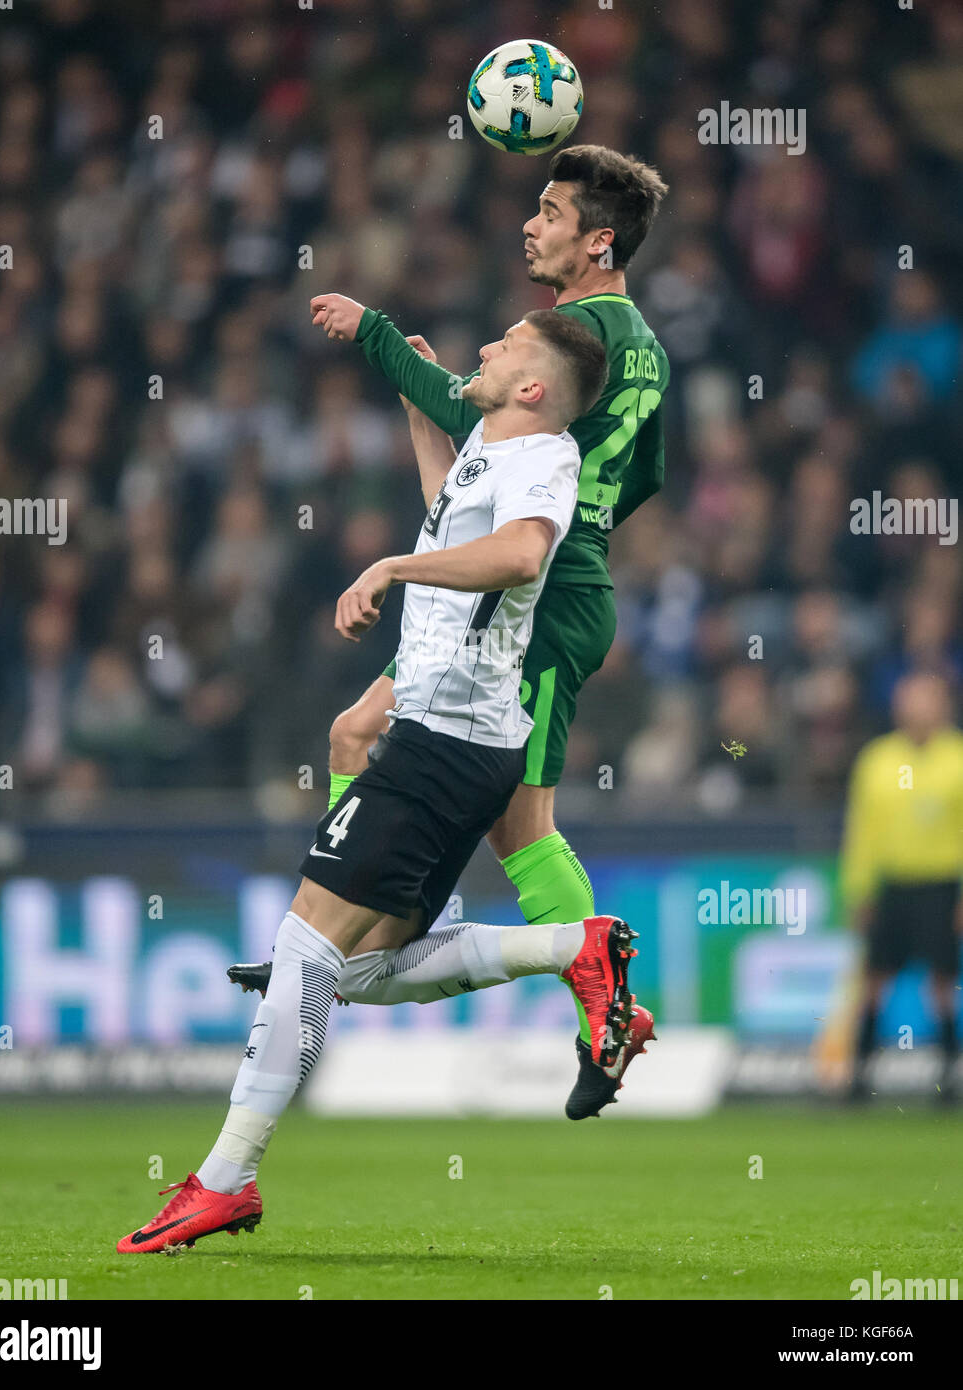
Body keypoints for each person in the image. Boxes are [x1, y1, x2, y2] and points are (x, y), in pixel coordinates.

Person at [118, 311, 637, 1252]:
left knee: (307, 951)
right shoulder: (491, 450)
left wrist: (391, 564)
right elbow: (454, 514)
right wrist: (416, 409)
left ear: (534, 387)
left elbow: (519, 554)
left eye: (505, 346)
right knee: (358, 968)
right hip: (450, 742)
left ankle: (224, 1181)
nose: (483, 349)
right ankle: (573, 946)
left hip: (442, 743)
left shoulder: (545, 458)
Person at [230, 145, 669, 1121]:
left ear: (597, 241)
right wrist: (581, 506)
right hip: (527, 584)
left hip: (541, 596)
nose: (529, 225)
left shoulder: (570, 332)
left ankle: (608, 1001)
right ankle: (330, 939)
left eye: (549, 213)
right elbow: (647, 476)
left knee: (525, 823)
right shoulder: (646, 347)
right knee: (353, 731)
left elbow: (486, 431)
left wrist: (375, 336)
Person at [841, 672, 963, 1102]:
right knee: (873, 979)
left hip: (941, 884)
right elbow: (862, 831)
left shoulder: (957, 758)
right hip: (892, 886)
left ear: (942, 704)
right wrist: (860, 890)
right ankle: (859, 1075)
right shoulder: (877, 759)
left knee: (942, 984)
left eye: (925, 699)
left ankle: (949, 1075)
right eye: (908, 700)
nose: (915, 709)